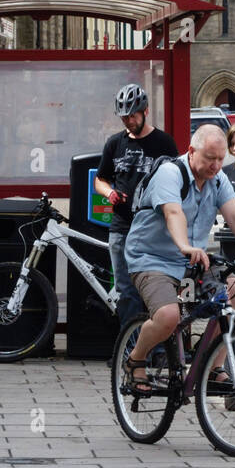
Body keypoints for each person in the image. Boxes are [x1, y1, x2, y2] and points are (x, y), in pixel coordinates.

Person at [123, 124, 235, 391]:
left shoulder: (216, 180)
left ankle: (212, 366)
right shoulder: (170, 174)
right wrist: (185, 245)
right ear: (192, 151)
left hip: (189, 265)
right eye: (210, 158)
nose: (217, 165)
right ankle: (135, 360)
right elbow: (173, 213)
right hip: (152, 260)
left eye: (221, 159)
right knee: (169, 315)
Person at [92, 84, 178, 330]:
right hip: (121, 228)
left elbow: (176, 182)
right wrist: (109, 193)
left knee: (154, 288)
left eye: (133, 116)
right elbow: (100, 179)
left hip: (152, 229)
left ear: (145, 111)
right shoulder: (114, 143)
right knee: (125, 291)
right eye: (124, 117)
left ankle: (157, 349)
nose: (128, 121)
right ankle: (128, 348)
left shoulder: (163, 142)